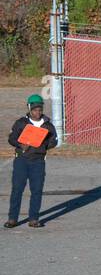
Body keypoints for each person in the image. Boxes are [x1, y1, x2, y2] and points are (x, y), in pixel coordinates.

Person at [6, 94, 57, 228]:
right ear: (29, 109)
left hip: (38, 161)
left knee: (37, 190)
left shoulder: (47, 125)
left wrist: (42, 144)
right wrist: (20, 144)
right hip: (21, 160)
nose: (37, 112)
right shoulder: (21, 123)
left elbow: (53, 141)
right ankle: (12, 218)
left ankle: (34, 219)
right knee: (17, 189)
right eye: (34, 109)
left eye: (40, 109)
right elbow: (11, 138)